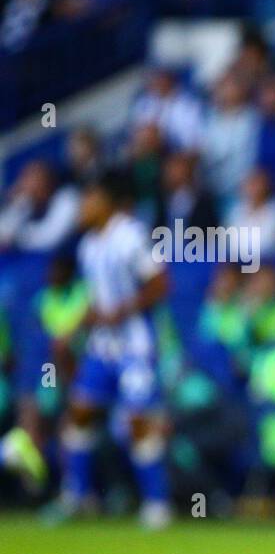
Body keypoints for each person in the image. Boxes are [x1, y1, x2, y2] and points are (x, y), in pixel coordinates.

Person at [50, 173, 172, 528]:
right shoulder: (88, 244)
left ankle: (157, 504)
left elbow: (160, 284)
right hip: (102, 347)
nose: (83, 207)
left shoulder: (130, 235)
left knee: (137, 420)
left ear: (107, 201)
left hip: (135, 345)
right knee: (80, 413)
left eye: (90, 198)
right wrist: (71, 329)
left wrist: (121, 311)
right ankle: (77, 496)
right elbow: (97, 298)